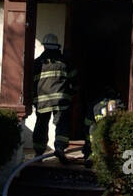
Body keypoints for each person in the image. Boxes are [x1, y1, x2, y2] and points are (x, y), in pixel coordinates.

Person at [32, 33, 78, 163]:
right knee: (61, 124)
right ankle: (60, 148)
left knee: (41, 125)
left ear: (45, 46)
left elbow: (31, 83)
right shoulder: (65, 62)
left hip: (42, 101)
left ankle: (38, 153)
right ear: (57, 46)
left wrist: (33, 99)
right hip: (61, 100)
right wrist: (72, 93)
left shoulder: (37, 63)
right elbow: (75, 80)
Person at [82, 83, 123, 165]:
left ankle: (91, 157)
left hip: (96, 134)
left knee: (91, 136)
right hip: (110, 133)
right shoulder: (118, 104)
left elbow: (87, 123)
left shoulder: (95, 104)